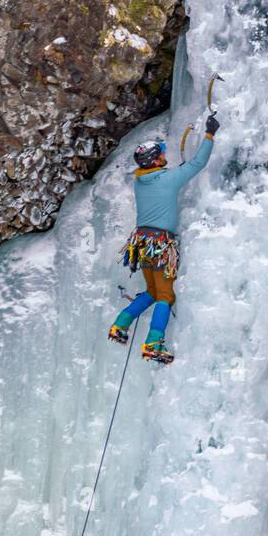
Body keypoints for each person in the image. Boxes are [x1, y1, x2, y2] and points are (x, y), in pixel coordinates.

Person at [108, 112, 219, 364]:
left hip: (141, 244)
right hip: (160, 245)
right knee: (166, 296)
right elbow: (196, 165)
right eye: (159, 153)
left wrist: (171, 172)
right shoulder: (167, 179)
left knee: (152, 291)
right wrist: (210, 134)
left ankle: (120, 325)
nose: (162, 155)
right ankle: (153, 343)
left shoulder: (141, 181)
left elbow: (164, 177)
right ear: (156, 160)